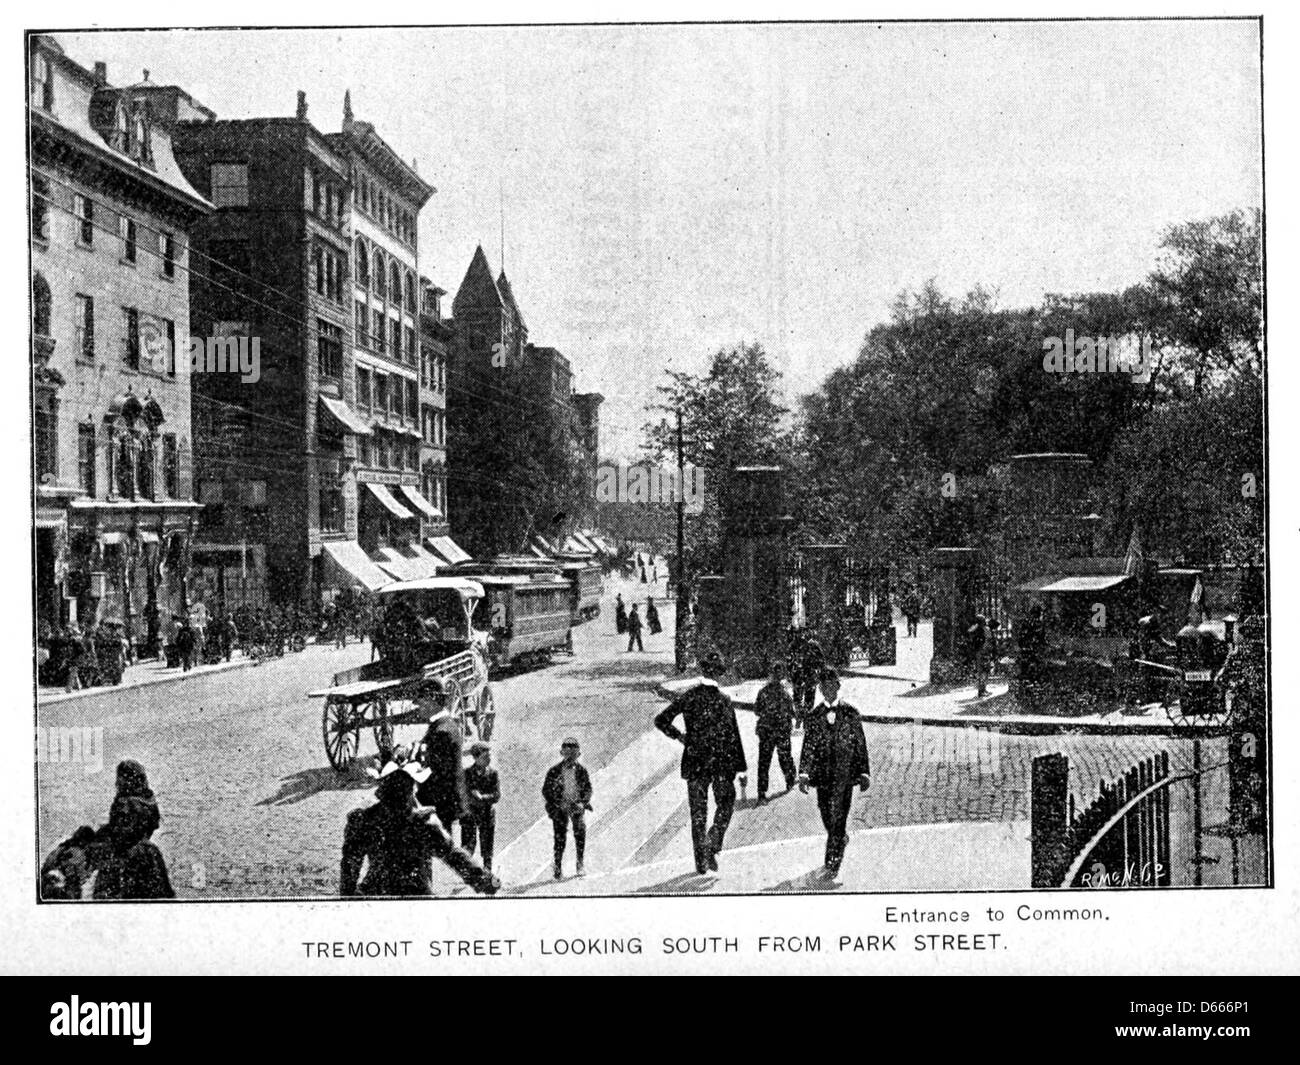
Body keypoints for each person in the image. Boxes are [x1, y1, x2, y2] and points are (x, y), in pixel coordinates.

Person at [341, 756, 499, 896]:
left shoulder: (363, 820)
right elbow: (454, 857)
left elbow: (349, 865)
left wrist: (348, 897)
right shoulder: (424, 823)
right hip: (416, 894)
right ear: (410, 791)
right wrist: (486, 881)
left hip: (376, 892)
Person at [653, 651, 746, 874]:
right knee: (726, 803)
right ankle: (712, 841)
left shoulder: (689, 696)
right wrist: (741, 768)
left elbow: (661, 720)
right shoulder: (724, 700)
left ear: (703, 671)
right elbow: (733, 734)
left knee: (698, 813)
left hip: (695, 760)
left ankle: (700, 862)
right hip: (721, 763)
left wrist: (680, 737)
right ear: (718, 675)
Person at [797, 668, 871, 878]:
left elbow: (860, 743)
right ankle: (840, 839)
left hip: (844, 775)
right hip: (822, 776)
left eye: (832, 685)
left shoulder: (851, 712)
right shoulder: (814, 716)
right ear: (820, 689)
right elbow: (808, 746)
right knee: (826, 814)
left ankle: (832, 862)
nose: (828, 689)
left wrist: (864, 771)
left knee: (839, 817)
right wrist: (804, 772)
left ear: (838, 686)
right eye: (824, 686)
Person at [93, 760, 172, 900]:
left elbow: (120, 835)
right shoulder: (149, 800)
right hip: (144, 851)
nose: (117, 782)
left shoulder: (124, 804)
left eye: (119, 778)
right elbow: (154, 825)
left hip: (126, 858)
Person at [415, 688, 469, 833]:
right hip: (444, 798)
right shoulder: (443, 724)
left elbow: (438, 770)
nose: (418, 709)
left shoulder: (442, 731)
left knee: (441, 843)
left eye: (420, 704)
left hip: (441, 800)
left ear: (431, 703)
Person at [542, 738, 593, 879]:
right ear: (561, 753)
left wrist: (582, 803)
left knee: (580, 831)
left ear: (579, 754)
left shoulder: (582, 771)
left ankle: (580, 863)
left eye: (574, 754)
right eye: (567, 753)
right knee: (560, 837)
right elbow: (546, 791)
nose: (570, 757)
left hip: (576, 805)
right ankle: (557, 866)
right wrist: (558, 803)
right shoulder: (554, 771)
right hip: (560, 807)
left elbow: (588, 789)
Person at [754, 660, 797, 802]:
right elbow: (792, 712)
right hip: (780, 732)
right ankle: (790, 781)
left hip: (767, 731)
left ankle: (761, 793)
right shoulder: (785, 694)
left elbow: (757, 710)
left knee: (764, 762)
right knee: (784, 758)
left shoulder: (763, 692)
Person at [461, 740, 500, 873]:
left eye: (489, 756)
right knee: (468, 846)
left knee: (487, 846)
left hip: (486, 814)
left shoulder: (493, 773)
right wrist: (473, 797)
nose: (488, 759)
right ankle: (466, 872)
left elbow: (496, 795)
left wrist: (481, 797)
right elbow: (463, 794)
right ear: (476, 758)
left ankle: (487, 871)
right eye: (485, 757)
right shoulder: (466, 773)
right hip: (470, 815)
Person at [968, 615, 995, 697]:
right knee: (985, 671)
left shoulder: (974, 629)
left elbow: (969, 632)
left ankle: (981, 690)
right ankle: (982, 690)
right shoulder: (986, 629)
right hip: (984, 651)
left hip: (977, 652)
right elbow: (989, 639)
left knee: (980, 671)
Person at [63, 625, 84, 692]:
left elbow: (82, 650)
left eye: (68, 630)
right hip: (71, 658)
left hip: (75, 658)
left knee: (72, 672)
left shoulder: (76, 641)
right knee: (74, 672)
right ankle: (79, 685)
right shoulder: (69, 640)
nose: (66, 632)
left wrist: (77, 657)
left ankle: (69, 688)